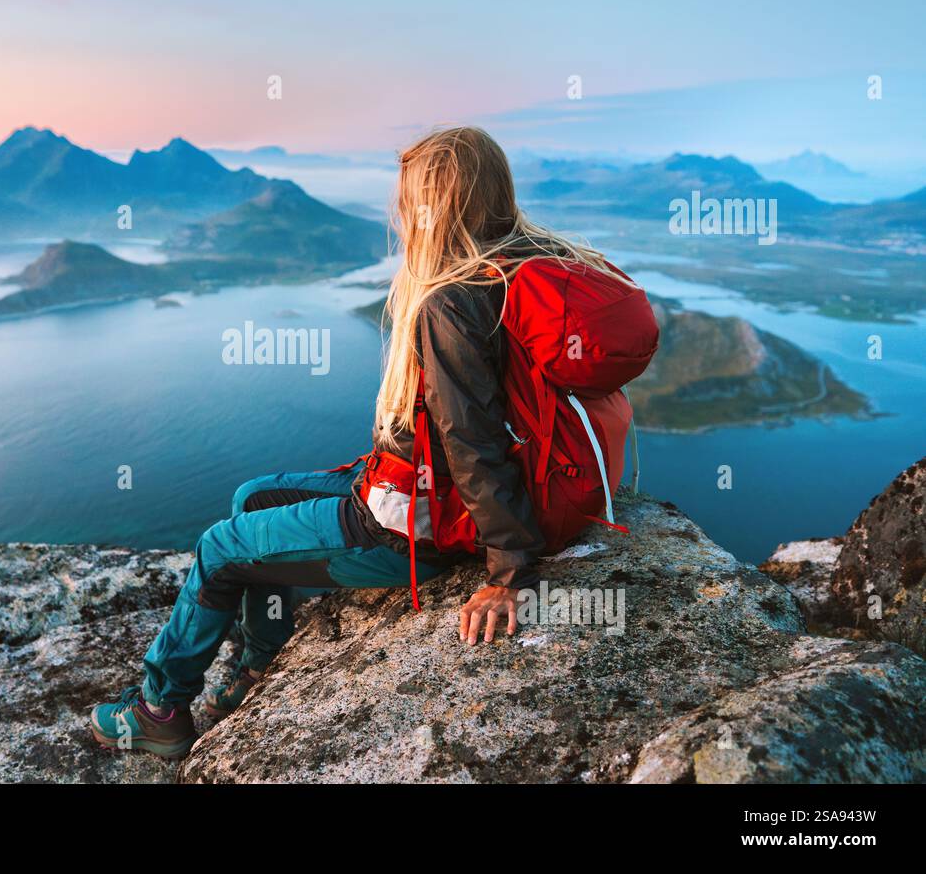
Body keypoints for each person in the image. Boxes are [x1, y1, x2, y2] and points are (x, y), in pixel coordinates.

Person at [90, 126, 624, 758]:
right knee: (251, 497)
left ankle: (160, 709)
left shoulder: (452, 300)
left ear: (434, 205)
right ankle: (260, 666)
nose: (399, 212)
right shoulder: (525, 263)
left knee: (218, 550)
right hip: (422, 493)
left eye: (408, 199)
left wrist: (509, 570)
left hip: (410, 530)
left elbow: (470, 442)